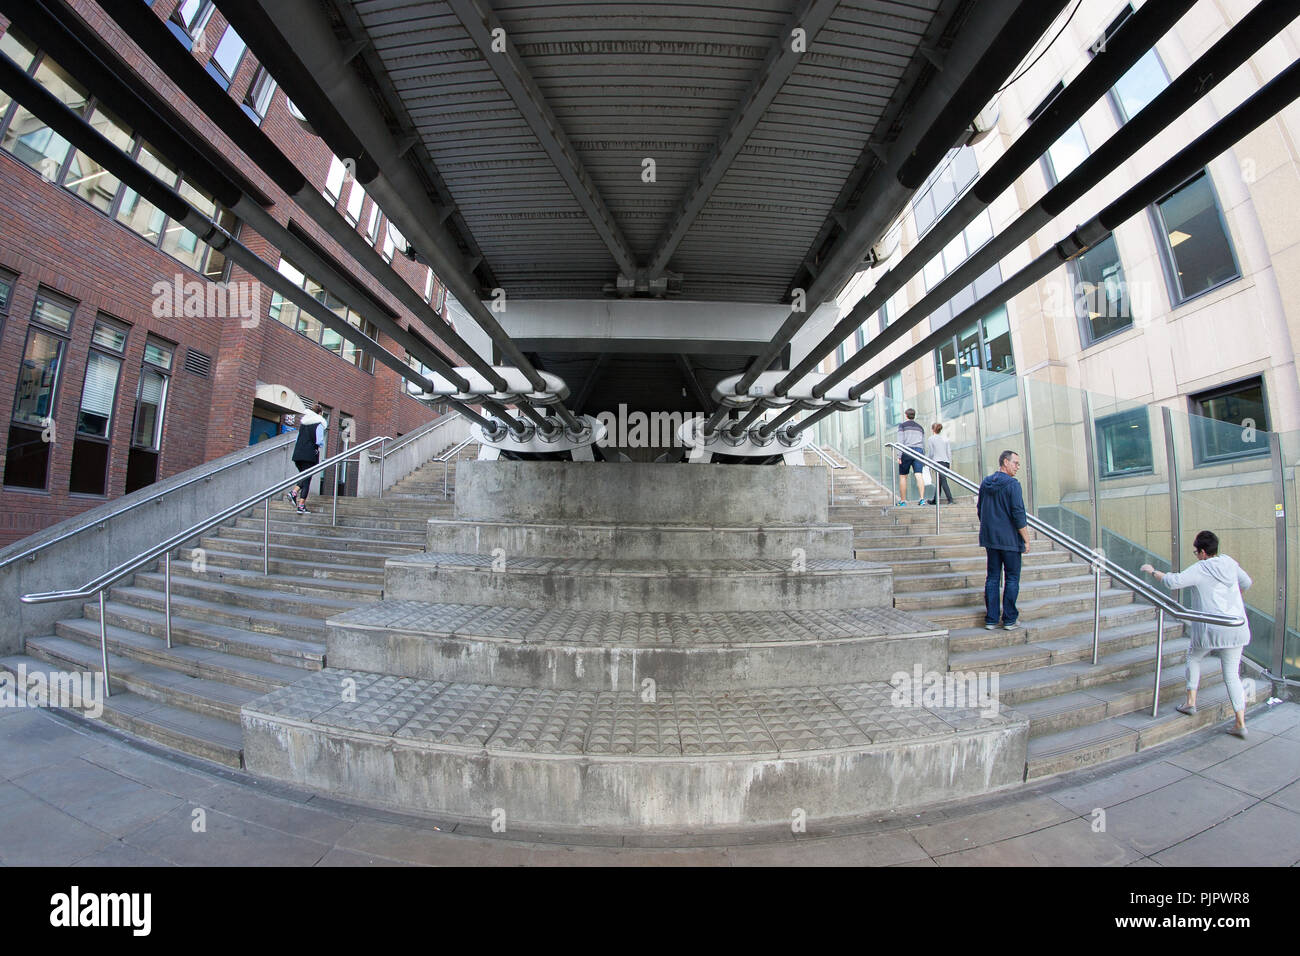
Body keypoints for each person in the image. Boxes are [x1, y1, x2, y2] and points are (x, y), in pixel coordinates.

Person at [1141, 531, 1252, 738]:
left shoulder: (1202, 568)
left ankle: (1191, 702)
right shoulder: (1229, 563)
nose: (1196, 555)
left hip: (1212, 627)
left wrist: (1152, 571)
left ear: (1202, 552)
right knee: (1232, 675)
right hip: (1236, 625)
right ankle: (1240, 723)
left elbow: (1173, 581)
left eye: (1196, 552)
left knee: (1194, 657)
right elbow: (1246, 583)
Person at [977, 450, 1030, 630]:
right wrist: (1026, 539)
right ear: (1005, 462)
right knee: (1012, 578)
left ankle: (991, 619)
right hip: (1009, 540)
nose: (1017, 467)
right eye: (1015, 463)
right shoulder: (1013, 485)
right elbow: (1018, 513)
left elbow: (980, 509)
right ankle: (1009, 619)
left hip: (990, 539)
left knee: (992, 578)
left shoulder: (986, 483)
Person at [288, 402, 326, 514]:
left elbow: (298, 438)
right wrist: (319, 446)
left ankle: (295, 496)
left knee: (304, 477)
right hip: (309, 455)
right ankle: (299, 502)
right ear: (320, 413)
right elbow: (319, 440)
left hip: (298, 454)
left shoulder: (303, 423)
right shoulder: (318, 423)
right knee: (307, 478)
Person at [895, 408, 926, 506]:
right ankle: (922, 499)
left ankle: (903, 501)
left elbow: (900, 441)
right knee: (919, 475)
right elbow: (923, 443)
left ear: (906, 415)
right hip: (919, 451)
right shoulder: (920, 427)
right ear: (914, 415)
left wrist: (899, 455)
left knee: (903, 476)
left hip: (906, 450)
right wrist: (923, 456)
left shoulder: (902, 426)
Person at [924, 422, 955, 506]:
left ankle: (950, 499)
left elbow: (931, 452)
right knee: (939, 481)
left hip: (938, 462)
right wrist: (950, 463)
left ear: (932, 429)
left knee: (943, 481)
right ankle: (935, 500)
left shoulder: (931, 439)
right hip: (946, 462)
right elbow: (949, 452)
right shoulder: (945, 439)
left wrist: (927, 461)